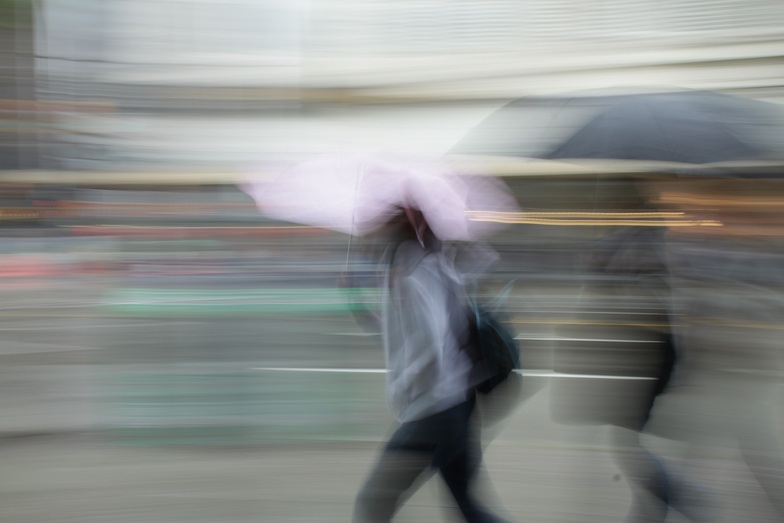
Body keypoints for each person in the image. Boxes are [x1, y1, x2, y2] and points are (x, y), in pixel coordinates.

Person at [352, 208, 510, 523]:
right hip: (456, 404)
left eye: (388, 217)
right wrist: (360, 305)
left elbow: (430, 347)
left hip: (434, 409)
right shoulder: (431, 265)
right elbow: (406, 335)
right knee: (467, 506)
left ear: (405, 224)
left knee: (372, 505)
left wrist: (404, 388)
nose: (377, 223)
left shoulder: (412, 274)